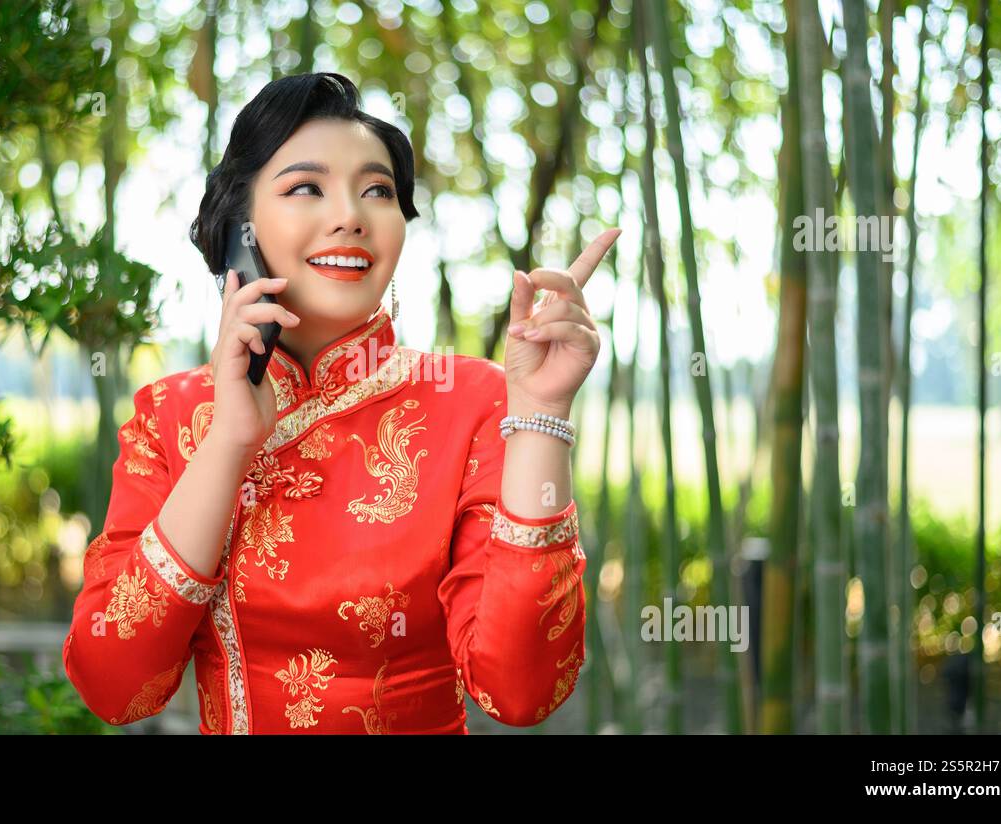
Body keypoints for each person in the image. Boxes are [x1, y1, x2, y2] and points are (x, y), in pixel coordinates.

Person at [63, 72, 619, 733]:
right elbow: (113, 686)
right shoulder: (173, 415)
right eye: (306, 187)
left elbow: (521, 692)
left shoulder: (470, 400)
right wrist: (227, 444)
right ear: (242, 226)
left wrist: (542, 416)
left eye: (377, 191)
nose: (351, 214)